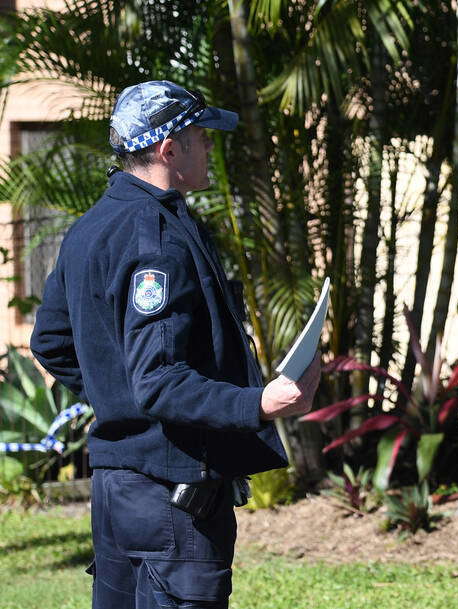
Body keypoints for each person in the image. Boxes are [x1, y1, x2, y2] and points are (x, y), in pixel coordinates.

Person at [30, 80, 321, 609]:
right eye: (201, 136)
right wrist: (257, 402)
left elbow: (51, 343)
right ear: (169, 148)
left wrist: (119, 400)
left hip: (118, 492)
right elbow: (159, 379)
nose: (210, 146)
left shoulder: (89, 228)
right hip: (174, 500)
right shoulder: (157, 237)